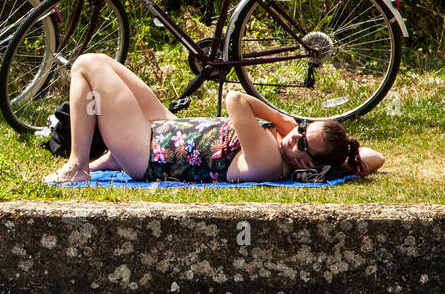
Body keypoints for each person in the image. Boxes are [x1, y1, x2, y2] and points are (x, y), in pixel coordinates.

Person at [43, 53, 384, 185]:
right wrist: (344, 162)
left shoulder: (268, 159)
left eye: (302, 142)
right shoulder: (303, 155)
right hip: (166, 128)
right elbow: (374, 157)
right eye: (305, 127)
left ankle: (78, 167)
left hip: (148, 150)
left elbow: (234, 99)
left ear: (307, 161)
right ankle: (104, 160)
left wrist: (282, 120)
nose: (296, 133)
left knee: (86, 65)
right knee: (105, 60)